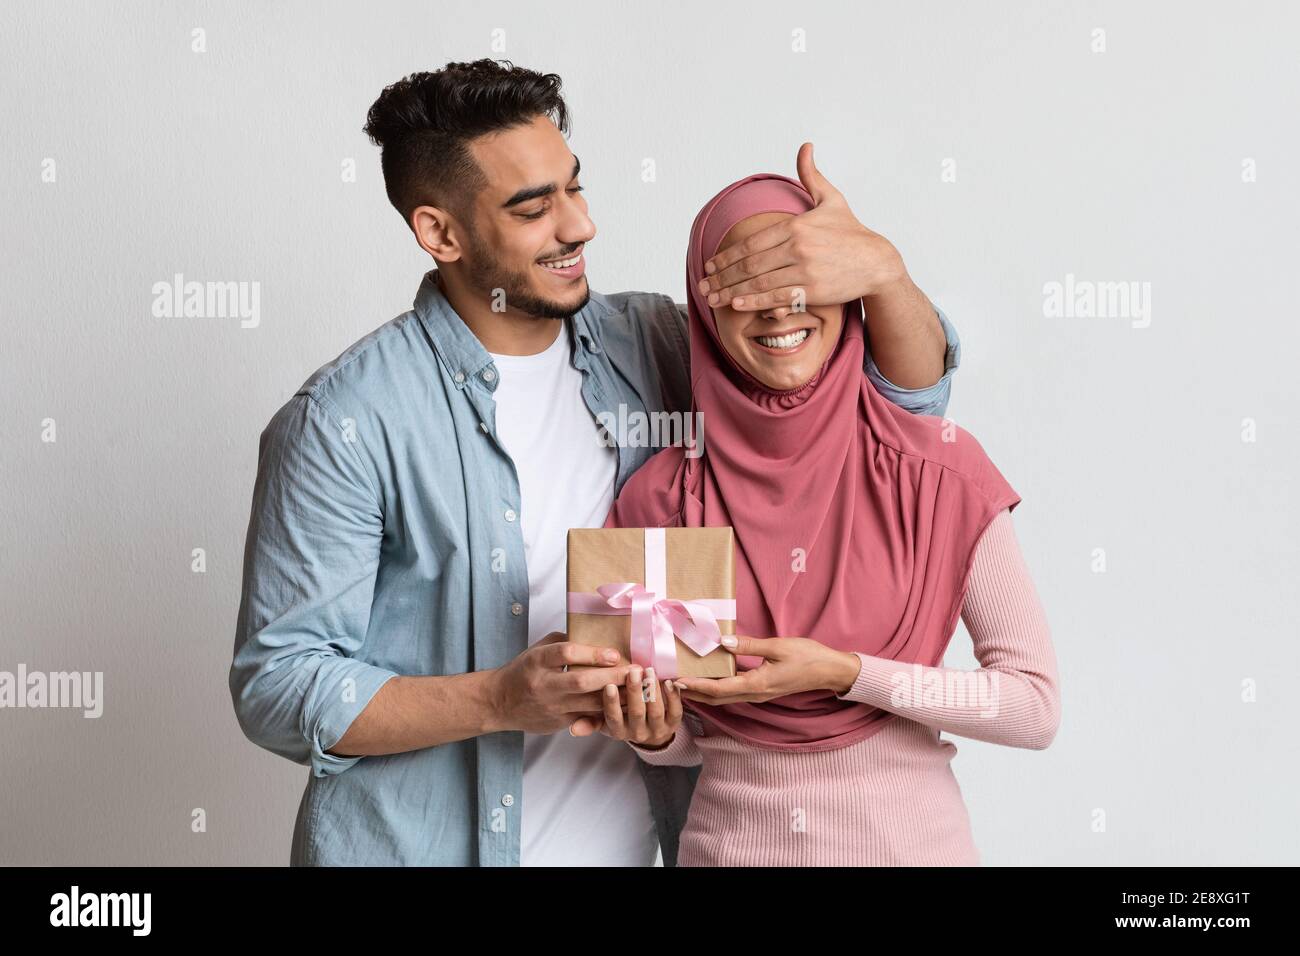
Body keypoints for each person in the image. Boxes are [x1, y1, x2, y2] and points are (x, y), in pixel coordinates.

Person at [229, 60, 963, 866]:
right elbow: (279, 687)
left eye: (574, 188)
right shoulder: (345, 421)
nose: (578, 226)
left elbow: (896, 413)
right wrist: (500, 698)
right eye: (532, 207)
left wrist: (882, 273)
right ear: (440, 232)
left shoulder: (657, 348)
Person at [574, 173, 1061, 865]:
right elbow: (686, 740)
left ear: (847, 288)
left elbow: (1033, 709)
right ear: (706, 311)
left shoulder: (940, 470)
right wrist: (649, 733)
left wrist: (846, 673)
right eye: (747, 288)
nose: (779, 312)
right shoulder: (657, 500)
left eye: (799, 280)